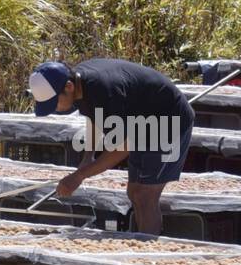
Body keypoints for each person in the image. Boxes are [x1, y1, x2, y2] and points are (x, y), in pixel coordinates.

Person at [27, 58, 195, 235]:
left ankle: (146, 252)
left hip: (168, 120)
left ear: (68, 87)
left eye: (55, 104)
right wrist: (87, 157)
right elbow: (94, 116)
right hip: (142, 122)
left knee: (145, 195)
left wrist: (79, 176)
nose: (56, 110)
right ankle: (142, 242)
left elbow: (123, 147)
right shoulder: (80, 84)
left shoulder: (104, 90)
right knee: (135, 192)